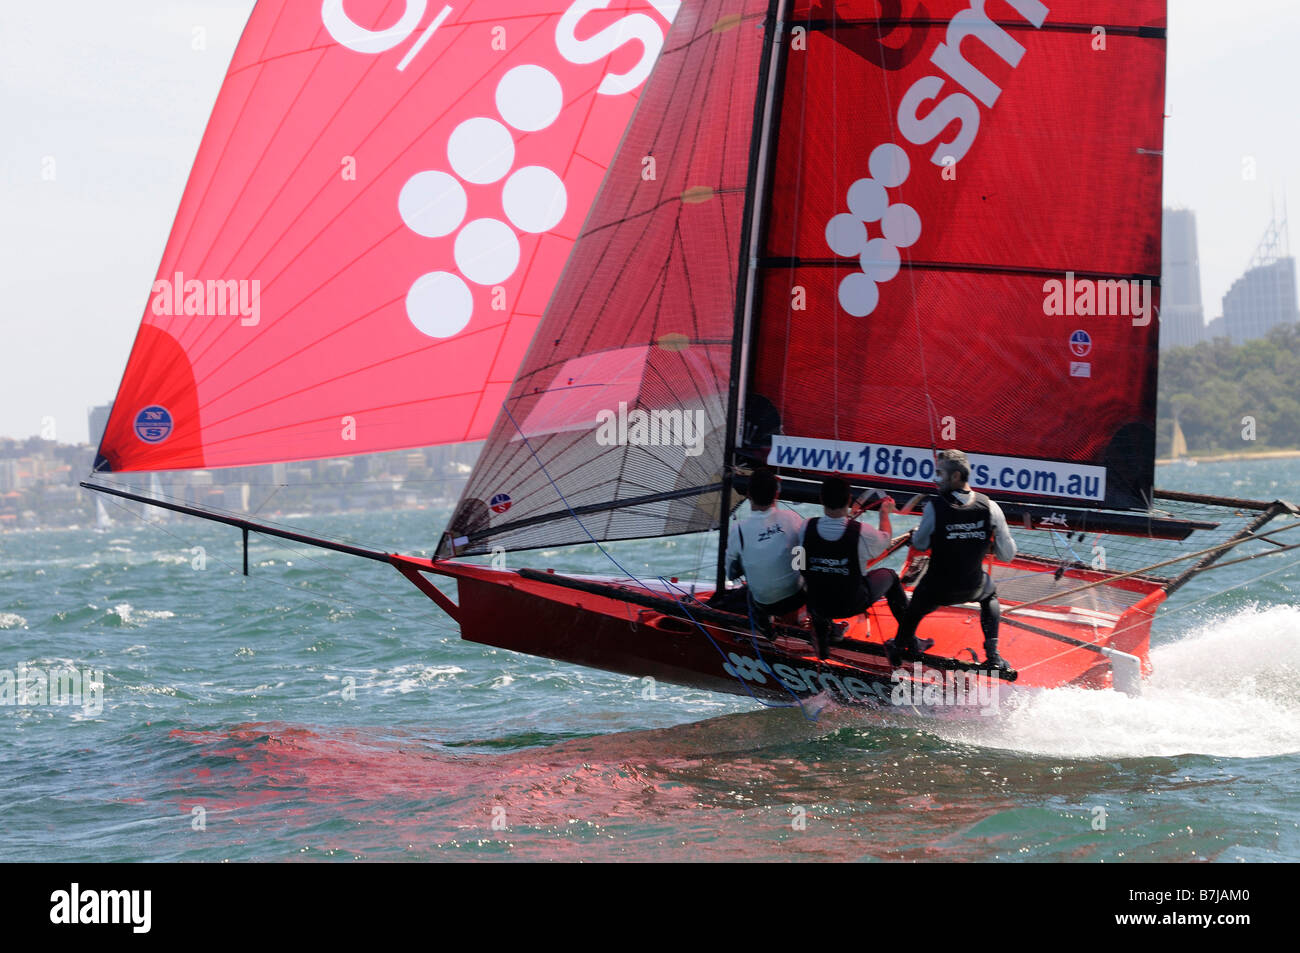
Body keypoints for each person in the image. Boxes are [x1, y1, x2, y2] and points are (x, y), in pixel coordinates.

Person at [886, 449, 1017, 671]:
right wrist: (984, 537)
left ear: (955, 476)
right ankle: (993, 656)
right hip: (972, 588)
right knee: (990, 593)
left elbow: (919, 544)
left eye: (940, 474)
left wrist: (927, 531)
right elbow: (1007, 555)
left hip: (936, 591)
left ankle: (899, 646)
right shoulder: (991, 507)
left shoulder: (935, 508)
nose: (936, 481)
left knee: (918, 602)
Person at [799, 476, 909, 659]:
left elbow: (799, 565)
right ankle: (907, 641)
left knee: (816, 584)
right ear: (849, 500)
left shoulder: (805, 527)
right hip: (852, 604)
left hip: (818, 605)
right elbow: (885, 538)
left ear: (821, 500)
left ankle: (823, 644)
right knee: (890, 575)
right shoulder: (861, 532)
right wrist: (884, 514)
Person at [724, 468, 806, 636]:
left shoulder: (739, 530)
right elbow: (803, 556)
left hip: (765, 603)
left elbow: (731, 574)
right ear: (776, 494)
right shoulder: (792, 518)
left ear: (748, 495)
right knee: (802, 558)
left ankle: (764, 626)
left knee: (750, 592)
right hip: (798, 597)